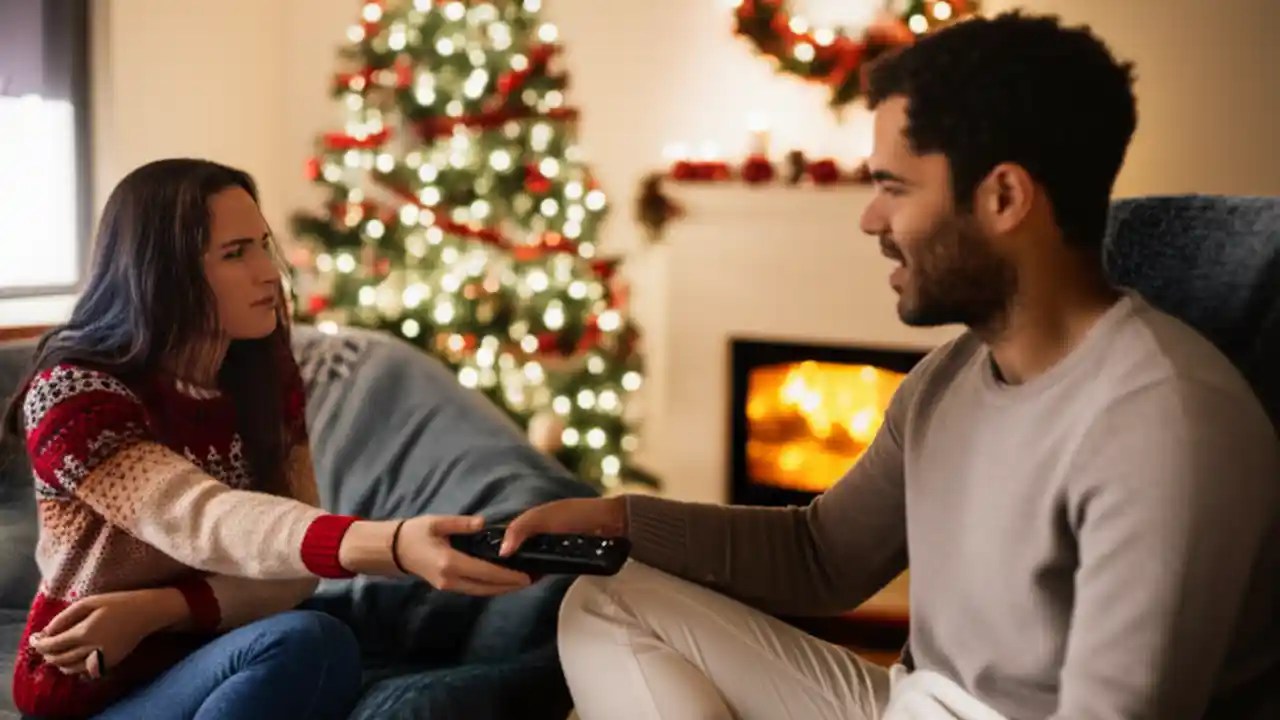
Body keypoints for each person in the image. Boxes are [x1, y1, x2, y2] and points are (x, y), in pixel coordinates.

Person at [500, 12, 1280, 720]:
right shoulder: (948, 379)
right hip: (914, 703)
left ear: (1004, 197)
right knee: (606, 602)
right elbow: (821, 556)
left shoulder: (1165, 424)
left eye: (894, 187)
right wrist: (621, 520)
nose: (871, 219)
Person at [3, 159, 533, 719]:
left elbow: (292, 572)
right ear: (164, 272)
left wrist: (160, 609)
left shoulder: (262, 374)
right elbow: (207, 519)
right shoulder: (74, 396)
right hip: (93, 687)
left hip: (215, 647)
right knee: (308, 642)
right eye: (235, 254)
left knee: (391, 615)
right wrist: (392, 543)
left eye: (262, 245)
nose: (268, 273)